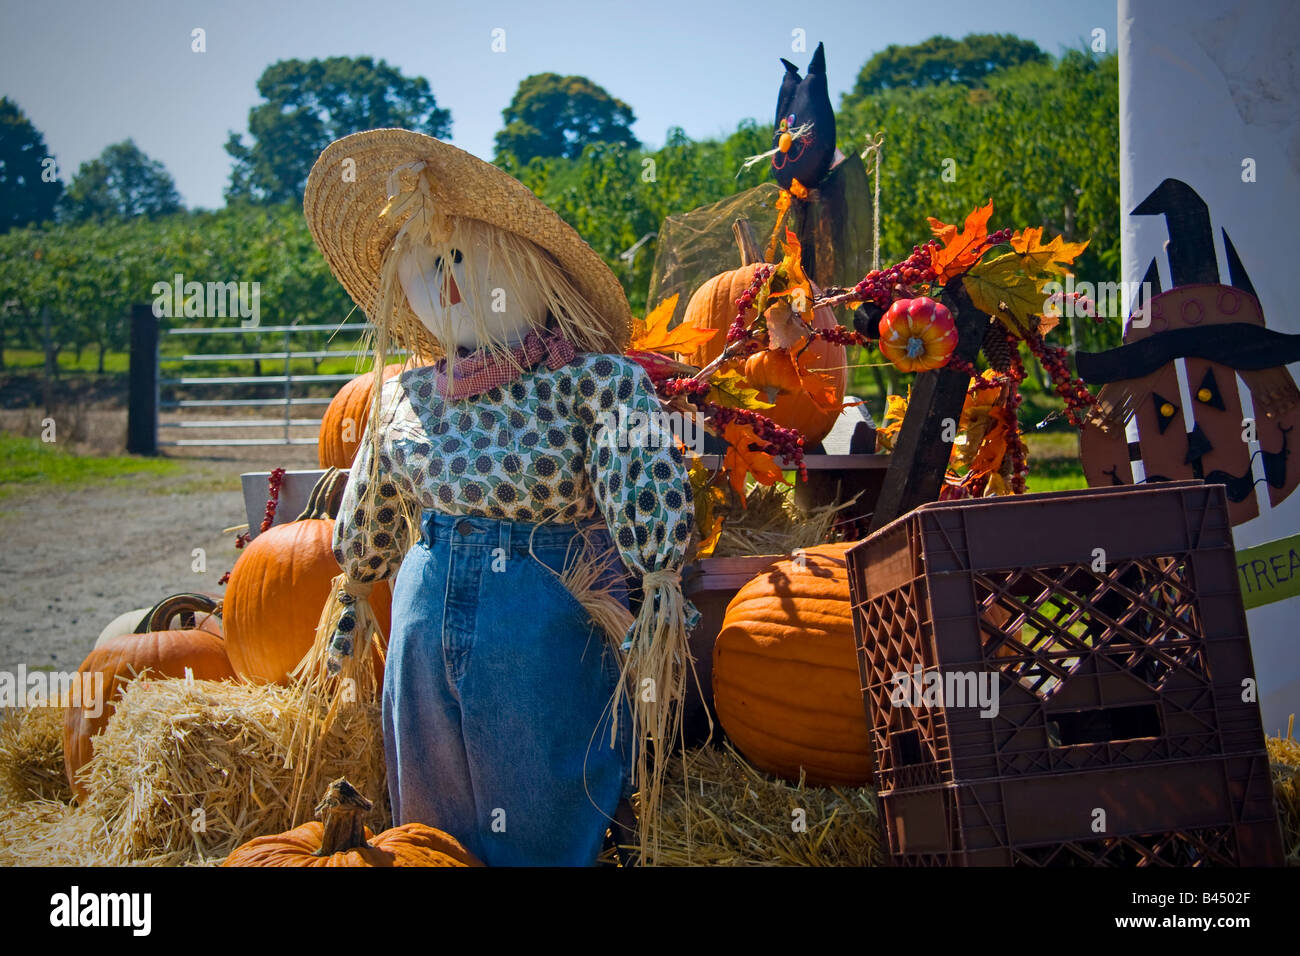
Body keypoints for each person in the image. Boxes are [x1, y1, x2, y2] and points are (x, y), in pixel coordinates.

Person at [299, 129, 697, 865]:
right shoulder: (407, 396)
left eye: (460, 257)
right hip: (423, 593)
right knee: (429, 786)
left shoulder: (593, 382)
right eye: (425, 266)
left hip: (538, 602)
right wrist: (357, 578)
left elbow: (640, 483)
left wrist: (658, 577)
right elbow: (375, 498)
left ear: (528, 271)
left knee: (543, 777)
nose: (444, 280)